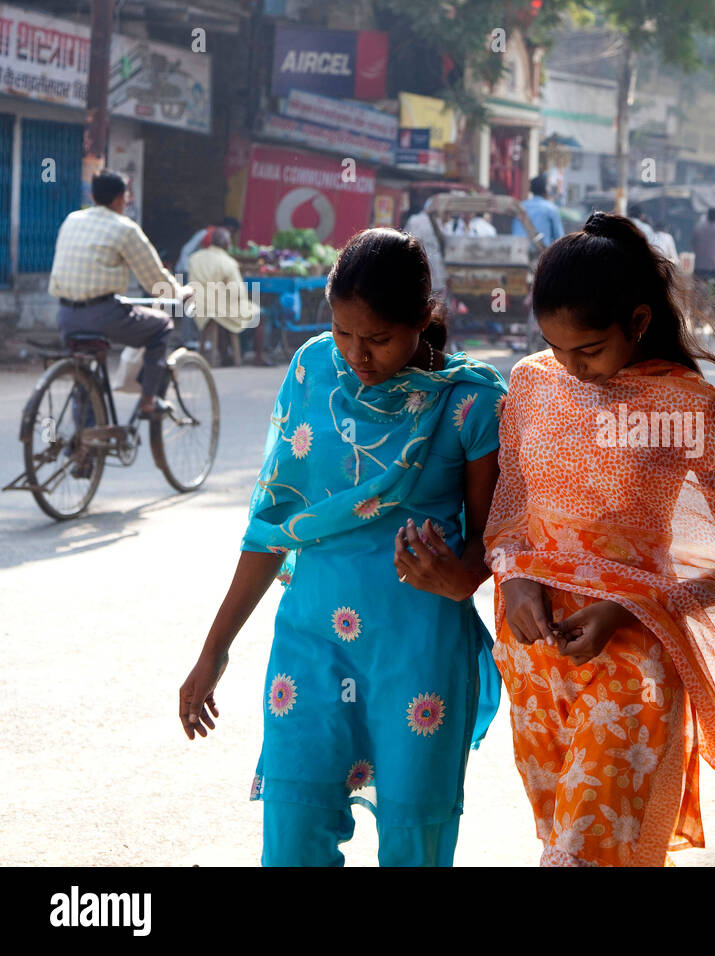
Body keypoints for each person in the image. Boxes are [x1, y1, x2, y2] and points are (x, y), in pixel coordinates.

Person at [485, 212, 715, 866]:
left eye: (590, 350)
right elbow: (510, 513)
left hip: (634, 662)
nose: (572, 369)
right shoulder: (529, 383)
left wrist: (627, 607)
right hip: (537, 659)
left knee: (584, 853)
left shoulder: (686, 409)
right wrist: (515, 576)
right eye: (557, 347)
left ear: (636, 323)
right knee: (564, 842)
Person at [179, 228, 508, 867]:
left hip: (419, 652)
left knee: (415, 843)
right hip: (311, 643)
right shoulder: (311, 370)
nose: (357, 354)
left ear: (421, 320)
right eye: (343, 332)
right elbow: (273, 524)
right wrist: (214, 649)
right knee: (293, 838)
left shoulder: (470, 405)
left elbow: (493, 545)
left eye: (379, 338)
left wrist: (459, 577)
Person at [48, 168, 191, 419]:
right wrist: (179, 294)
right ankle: (148, 400)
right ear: (118, 199)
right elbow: (154, 278)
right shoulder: (125, 228)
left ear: (93, 195)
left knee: (84, 374)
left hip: (66, 316)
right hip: (103, 315)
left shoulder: (72, 219)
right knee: (162, 326)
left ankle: (85, 443)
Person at [187, 227, 268, 366]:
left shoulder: (195, 258)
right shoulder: (227, 262)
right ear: (226, 244)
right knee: (259, 314)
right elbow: (238, 292)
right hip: (219, 308)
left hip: (198, 307)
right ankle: (258, 357)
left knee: (223, 314)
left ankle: (225, 355)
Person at [404, 197, 447, 297]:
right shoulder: (439, 222)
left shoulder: (414, 219)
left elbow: (407, 240)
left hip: (420, 262)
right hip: (434, 266)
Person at [513, 175, 564, 247]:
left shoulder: (520, 206)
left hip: (519, 253)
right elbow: (559, 238)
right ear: (546, 189)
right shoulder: (551, 209)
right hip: (541, 254)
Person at [691, 207, 715, 293]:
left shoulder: (698, 228)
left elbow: (693, 246)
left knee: (694, 287)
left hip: (699, 269)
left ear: (707, 216)